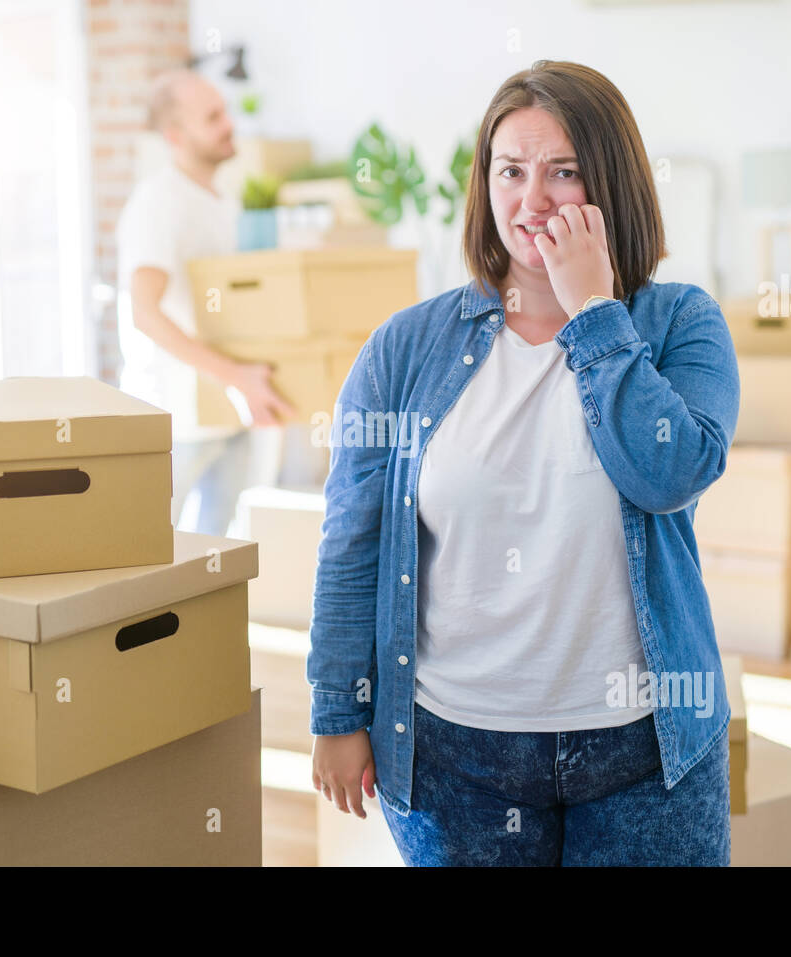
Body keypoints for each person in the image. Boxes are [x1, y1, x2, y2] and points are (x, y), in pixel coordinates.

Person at [307, 60, 741, 866]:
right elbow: (349, 543)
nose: (532, 200)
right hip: (457, 758)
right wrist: (338, 710)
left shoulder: (681, 323)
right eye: (511, 171)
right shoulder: (404, 348)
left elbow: (671, 473)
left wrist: (597, 315)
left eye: (564, 172)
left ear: (610, 183)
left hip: (644, 754)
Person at [116, 68, 295, 536]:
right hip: (172, 423)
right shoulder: (159, 202)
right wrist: (238, 377)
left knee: (211, 567)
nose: (228, 124)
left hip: (223, 414)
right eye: (212, 116)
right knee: (148, 564)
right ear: (175, 135)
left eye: (225, 111)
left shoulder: (221, 200)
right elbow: (144, 314)